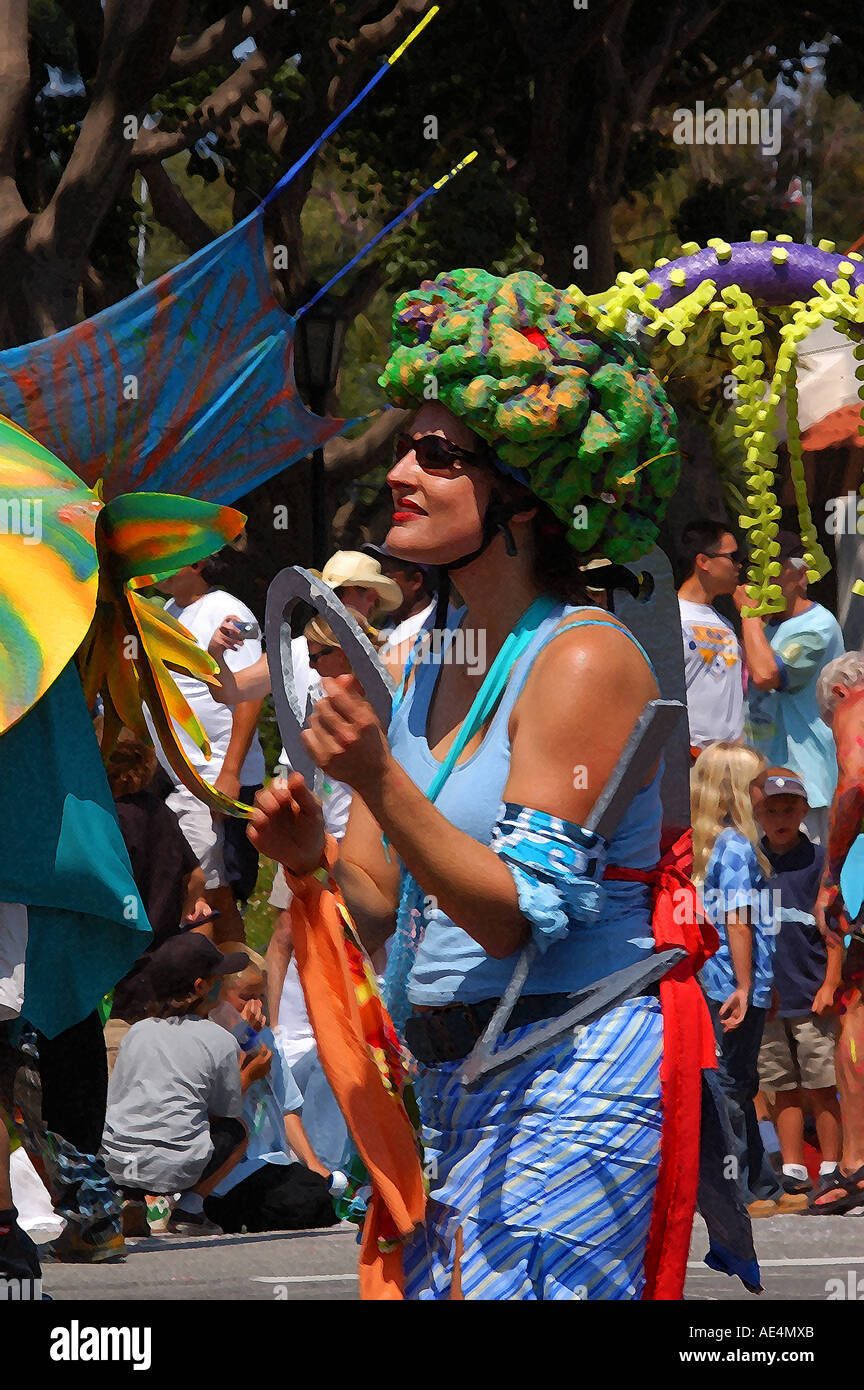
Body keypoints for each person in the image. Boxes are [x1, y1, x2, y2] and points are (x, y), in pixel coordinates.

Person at [241, 268, 743, 1300]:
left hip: (576, 1071)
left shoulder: (585, 658)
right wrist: (312, 863)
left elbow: (519, 914)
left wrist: (380, 774)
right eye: (404, 447)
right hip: (453, 1083)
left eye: (439, 455)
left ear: (524, 489)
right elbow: (382, 905)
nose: (400, 473)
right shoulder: (427, 655)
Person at [693, 742, 806, 1216]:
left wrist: (760, 984)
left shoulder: (713, 842)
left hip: (733, 982)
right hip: (729, 985)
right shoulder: (736, 846)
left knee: (742, 1083)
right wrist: (745, 986)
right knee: (731, 1090)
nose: (765, 791)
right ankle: (736, 1192)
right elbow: (738, 920)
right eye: (757, 783)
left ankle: (761, 1183)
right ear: (738, 790)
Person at [101, 933, 261, 1237]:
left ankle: (131, 1201)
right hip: (178, 1168)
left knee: (135, 1123)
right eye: (217, 981)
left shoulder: (137, 1033)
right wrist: (250, 1073)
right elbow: (223, 1111)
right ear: (200, 987)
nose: (222, 987)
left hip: (119, 1162)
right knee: (236, 1130)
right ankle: (191, 1208)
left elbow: (119, 1100)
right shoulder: (220, 1040)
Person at [146, 551, 267, 941]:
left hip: (214, 778)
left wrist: (230, 774)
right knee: (195, 887)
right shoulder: (167, 611)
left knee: (214, 890)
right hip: (181, 778)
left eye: (170, 557)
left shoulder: (233, 612)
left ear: (197, 565)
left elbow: (250, 693)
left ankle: (229, 992)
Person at [751, 767, 842, 1201]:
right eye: (772, 810)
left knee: (822, 1086)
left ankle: (831, 1166)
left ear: (805, 809)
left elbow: (834, 931)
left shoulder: (820, 862)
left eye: (790, 808)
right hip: (769, 998)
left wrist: (830, 984)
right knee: (780, 1087)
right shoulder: (752, 863)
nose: (781, 817)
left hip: (811, 996)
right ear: (758, 813)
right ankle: (791, 1168)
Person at [203, 945, 338, 1233]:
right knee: (299, 1205)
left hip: (269, 1161)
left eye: (260, 997)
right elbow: (218, 1108)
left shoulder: (264, 1037)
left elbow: (287, 1108)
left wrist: (314, 1164)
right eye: (245, 998)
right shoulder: (209, 1039)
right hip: (229, 1170)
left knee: (321, 1197)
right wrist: (243, 1049)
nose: (256, 1007)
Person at [103, 737, 211, 1064]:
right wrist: (170, 916)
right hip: (158, 967)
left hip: (114, 977)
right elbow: (197, 878)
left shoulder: (106, 818)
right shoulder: (160, 813)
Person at [740, 531, 844, 842]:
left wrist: (748, 614)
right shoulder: (766, 628)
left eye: (774, 568)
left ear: (801, 574)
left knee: (801, 880)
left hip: (804, 786)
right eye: (759, 569)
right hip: (763, 782)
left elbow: (766, 676)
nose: (764, 578)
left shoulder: (817, 625)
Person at [810, 652, 864, 1213]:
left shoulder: (857, 705)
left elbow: (853, 781)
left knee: (855, 1008)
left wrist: (831, 874)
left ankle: (854, 1161)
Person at [676, 519, 746, 755]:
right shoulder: (670, 616)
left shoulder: (725, 622)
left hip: (728, 759)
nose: (739, 565)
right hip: (688, 759)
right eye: (733, 557)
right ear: (703, 561)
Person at [361, 542, 437, 662]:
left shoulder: (438, 632)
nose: (376, 586)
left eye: (386, 577)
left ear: (416, 581)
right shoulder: (387, 623)